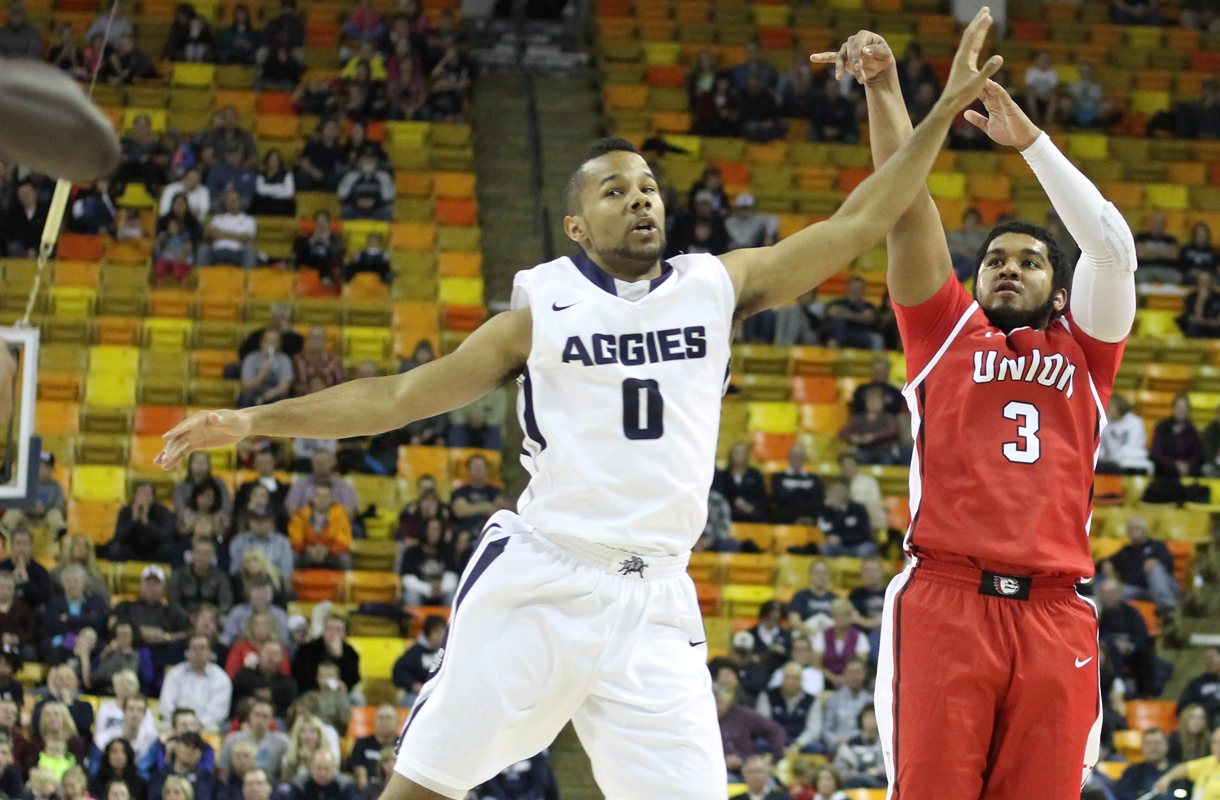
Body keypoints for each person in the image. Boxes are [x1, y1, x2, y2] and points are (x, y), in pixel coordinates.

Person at [158, 19, 1003, 800]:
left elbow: (867, 217)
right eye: (612, 191)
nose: (639, 199)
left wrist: (921, 104)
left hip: (657, 600)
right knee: (421, 787)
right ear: (574, 223)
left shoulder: (716, 284)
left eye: (646, 186)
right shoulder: (537, 315)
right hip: (544, 579)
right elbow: (400, 398)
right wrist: (254, 421)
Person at [816, 25, 1135, 799]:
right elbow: (902, 204)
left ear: (1059, 292)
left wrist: (1029, 142)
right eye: (995, 259)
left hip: (1056, 613)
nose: (1009, 269)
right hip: (947, 601)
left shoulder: (1087, 354)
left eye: (1029, 262)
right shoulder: (942, 330)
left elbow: (1113, 249)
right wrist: (884, 88)